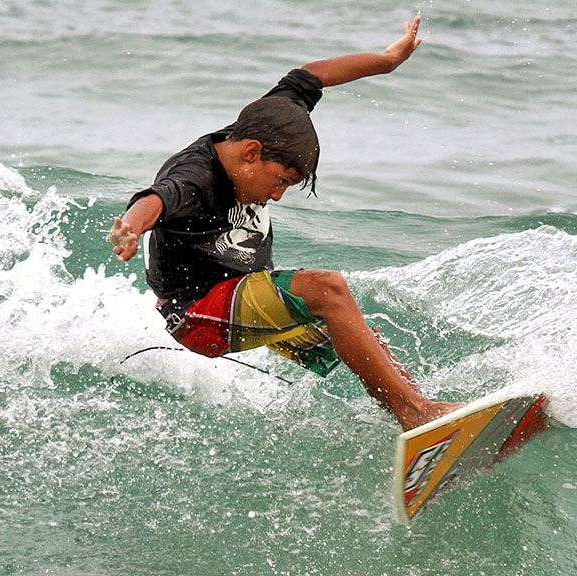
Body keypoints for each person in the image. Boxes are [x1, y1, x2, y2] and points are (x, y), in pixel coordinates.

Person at [109, 16, 460, 431]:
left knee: (364, 339)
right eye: (280, 182)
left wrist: (387, 61)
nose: (277, 196)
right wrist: (131, 229)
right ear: (252, 153)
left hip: (239, 295)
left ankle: (423, 419)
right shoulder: (195, 178)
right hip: (197, 316)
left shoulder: (271, 121)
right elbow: (156, 198)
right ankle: (415, 414)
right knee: (327, 289)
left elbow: (312, 75)